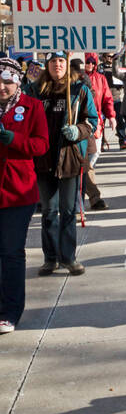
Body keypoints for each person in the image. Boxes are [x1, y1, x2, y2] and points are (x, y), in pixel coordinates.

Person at [32, 54, 98, 276]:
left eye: (61, 61)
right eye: (53, 62)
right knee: (49, 211)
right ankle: (50, 258)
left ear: (67, 65)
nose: (57, 65)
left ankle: (68, 257)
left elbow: (92, 121)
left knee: (68, 211)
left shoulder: (79, 89)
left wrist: (78, 131)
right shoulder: (35, 90)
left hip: (69, 157)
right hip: (42, 158)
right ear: (47, 66)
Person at [0, 58, 49, 333]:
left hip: (17, 192)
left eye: (8, 81)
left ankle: (10, 311)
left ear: (18, 81)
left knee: (10, 252)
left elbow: (41, 145)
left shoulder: (32, 106)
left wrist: (13, 140)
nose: (3, 87)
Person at [81, 52, 115, 209]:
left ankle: (84, 191)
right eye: (86, 62)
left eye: (91, 62)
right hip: (79, 125)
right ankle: (93, 197)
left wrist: (112, 116)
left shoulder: (100, 79)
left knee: (92, 158)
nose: (89, 65)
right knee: (85, 164)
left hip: (96, 125)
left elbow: (107, 98)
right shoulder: (75, 78)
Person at [102, 55, 126, 148]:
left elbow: (123, 82)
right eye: (108, 56)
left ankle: (123, 140)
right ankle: (101, 143)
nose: (110, 58)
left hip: (115, 98)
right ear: (104, 57)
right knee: (101, 122)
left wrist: (122, 85)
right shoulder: (100, 68)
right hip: (103, 99)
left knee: (120, 120)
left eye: (112, 56)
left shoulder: (119, 69)